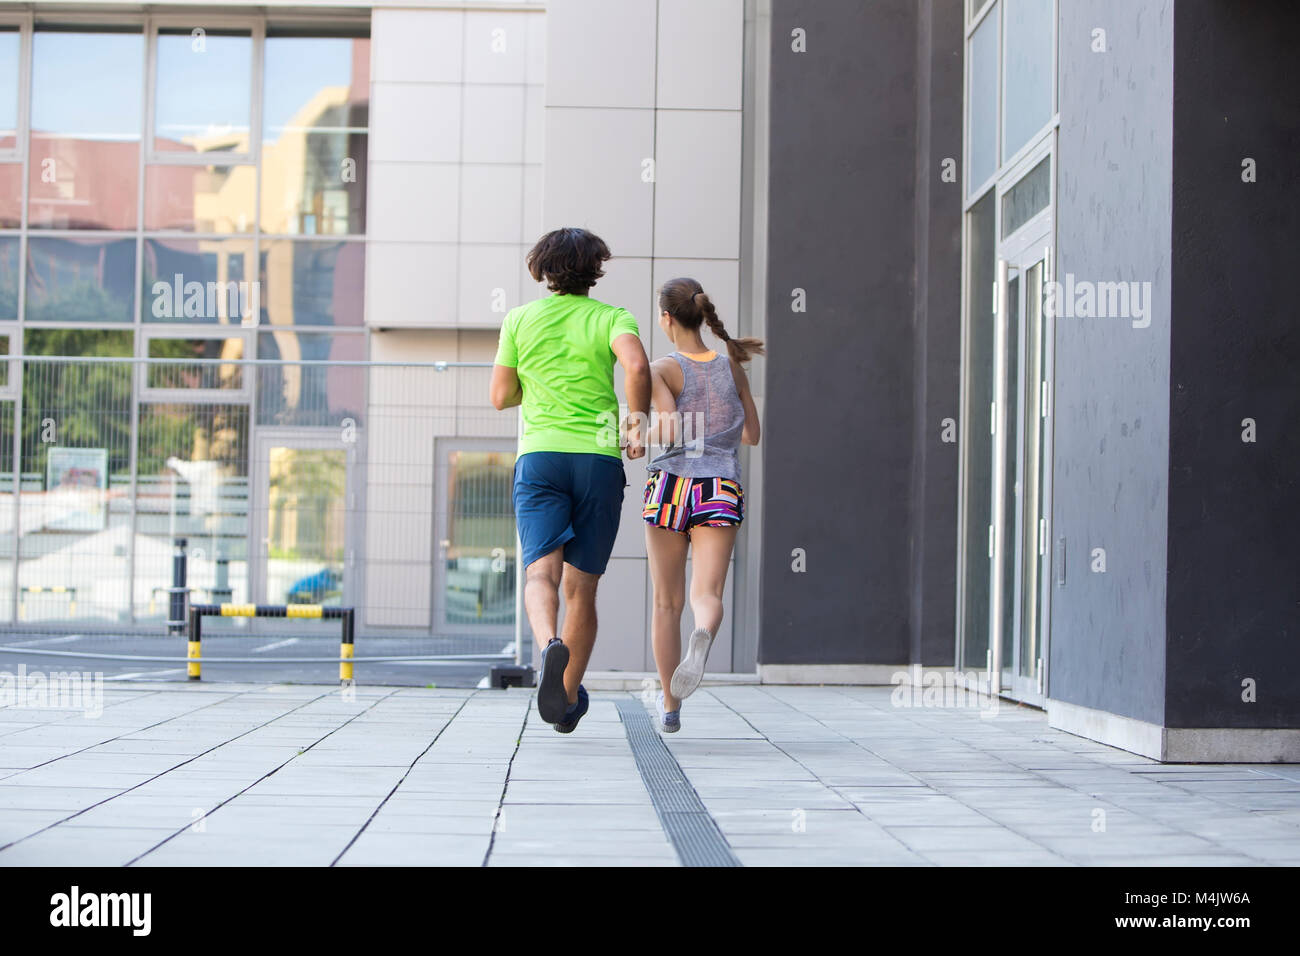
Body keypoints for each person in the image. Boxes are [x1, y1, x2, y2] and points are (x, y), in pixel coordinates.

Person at [490, 227, 650, 733]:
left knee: (541, 576)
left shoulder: (519, 319)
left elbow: (500, 396)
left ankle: (548, 646)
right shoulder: (612, 317)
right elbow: (637, 365)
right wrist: (636, 424)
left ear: (543, 269)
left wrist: (536, 387)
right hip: (597, 460)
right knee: (582, 590)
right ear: (594, 270)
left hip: (540, 457)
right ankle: (566, 700)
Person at [642, 278, 763, 733]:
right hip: (719, 486)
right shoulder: (732, 366)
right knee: (705, 596)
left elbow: (669, 428)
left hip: (672, 485)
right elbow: (752, 435)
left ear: (667, 318)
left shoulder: (662, 368)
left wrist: (635, 435)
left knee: (666, 603)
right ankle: (704, 634)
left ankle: (671, 706)